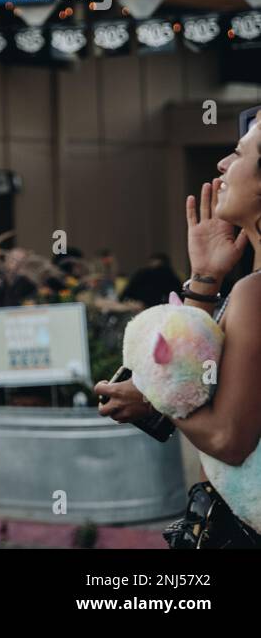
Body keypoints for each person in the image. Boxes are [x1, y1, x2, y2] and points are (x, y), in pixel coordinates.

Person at [97, 118, 261, 545]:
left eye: (240, 153)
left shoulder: (255, 293)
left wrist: (153, 392)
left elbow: (228, 437)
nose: (223, 164)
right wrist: (204, 279)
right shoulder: (248, 288)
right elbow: (199, 379)